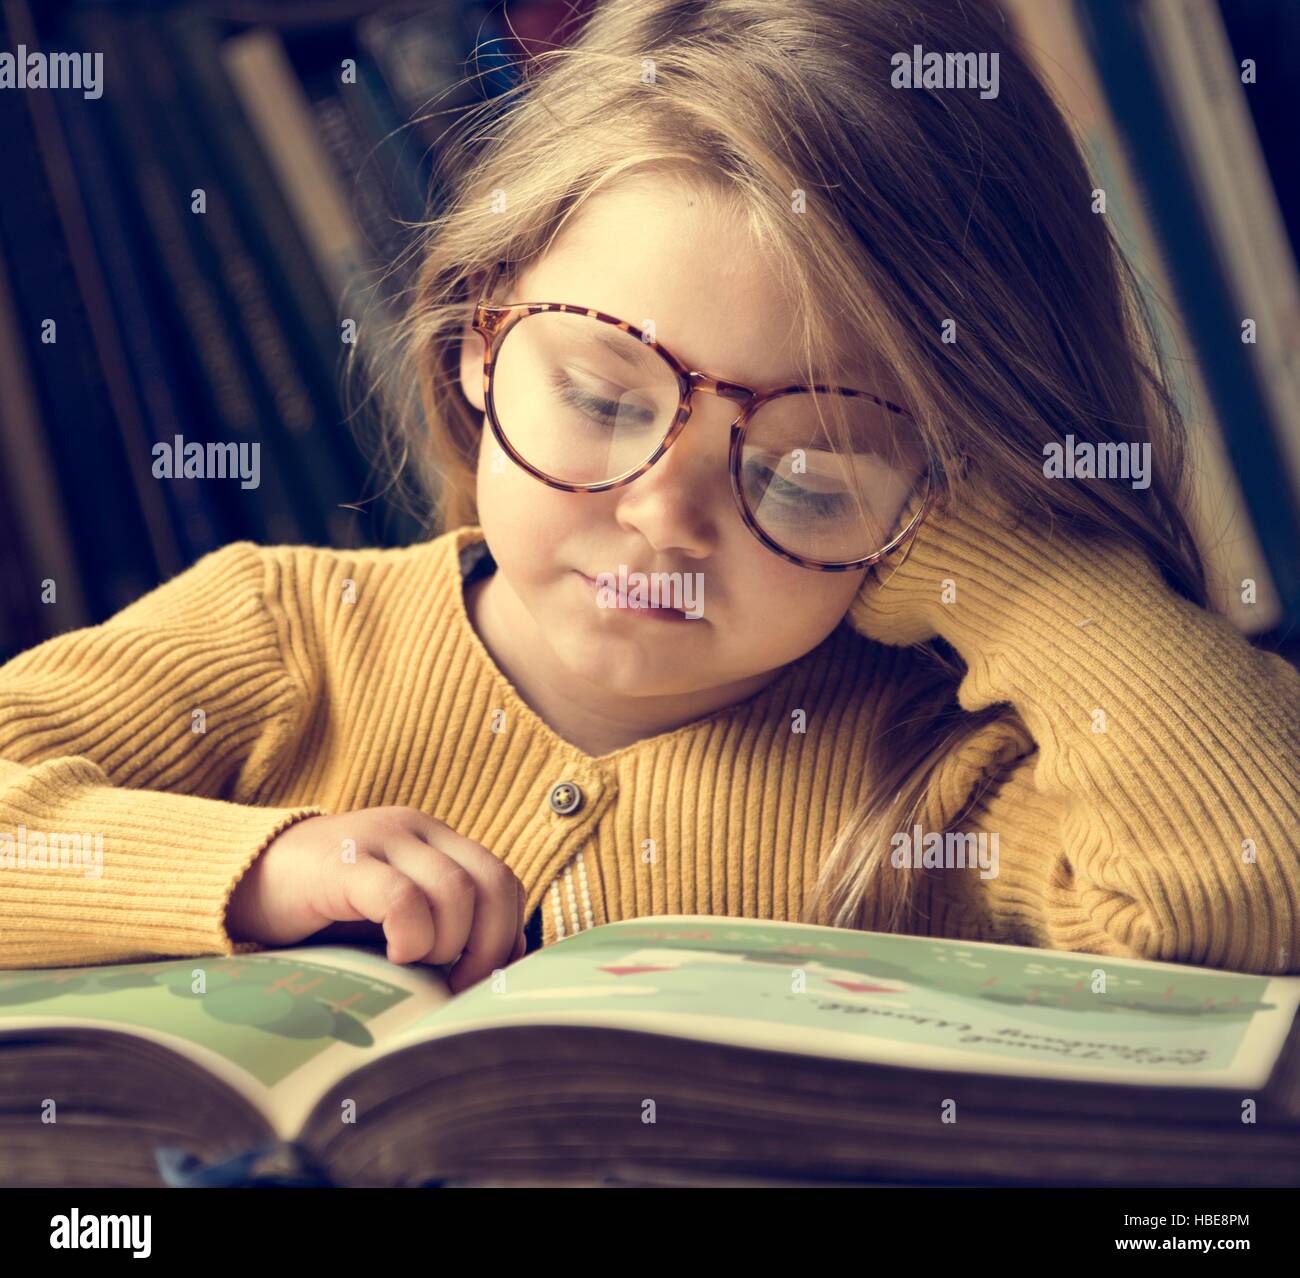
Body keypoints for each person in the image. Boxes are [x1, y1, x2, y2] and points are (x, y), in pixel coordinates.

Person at [1, 0, 1296, 991]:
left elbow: (1237, 901)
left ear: (948, 488)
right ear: (480, 335)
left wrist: (1016, 555)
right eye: (608, 400)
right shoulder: (286, 631)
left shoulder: (942, 781)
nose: (664, 512)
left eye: (809, 465)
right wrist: (261, 870)